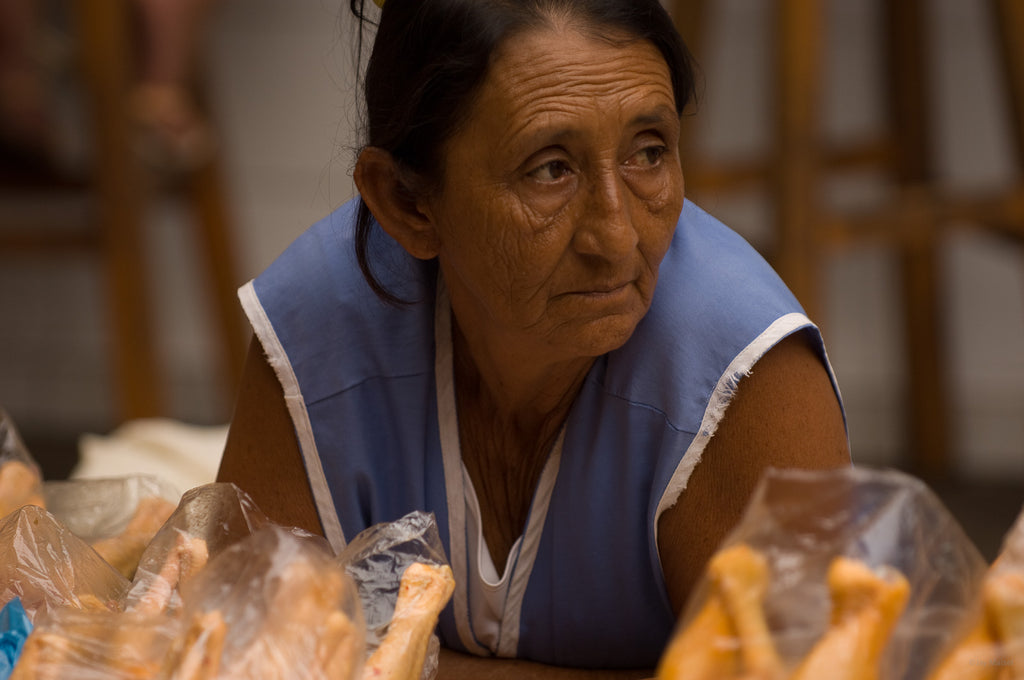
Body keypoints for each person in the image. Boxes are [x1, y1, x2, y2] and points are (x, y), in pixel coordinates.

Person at [217, 0, 851, 676]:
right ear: (406, 203)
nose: (617, 237)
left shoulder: (743, 378)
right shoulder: (321, 329)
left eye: (648, 153)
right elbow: (240, 653)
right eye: (551, 168)